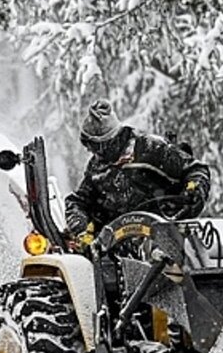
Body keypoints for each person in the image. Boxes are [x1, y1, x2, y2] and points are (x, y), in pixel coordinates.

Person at [65, 100, 210, 250]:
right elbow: (78, 202)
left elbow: (196, 169)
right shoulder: (97, 167)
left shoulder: (150, 148)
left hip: (164, 239)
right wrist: (81, 230)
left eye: (94, 146)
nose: (91, 151)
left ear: (108, 141)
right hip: (119, 248)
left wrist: (194, 189)